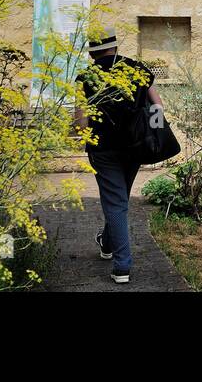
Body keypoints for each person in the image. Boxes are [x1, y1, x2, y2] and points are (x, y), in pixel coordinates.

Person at [76, 29, 161, 285]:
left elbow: (81, 121)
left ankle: (122, 266)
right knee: (119, 198)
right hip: (135, 147)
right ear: (114, 46)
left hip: (104, 149)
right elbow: (157, 106)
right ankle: (107, 242)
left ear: (91, 52)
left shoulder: (87, 76)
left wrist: (84, 138)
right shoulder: (137, 69)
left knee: (116, 202)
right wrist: (154, 132)